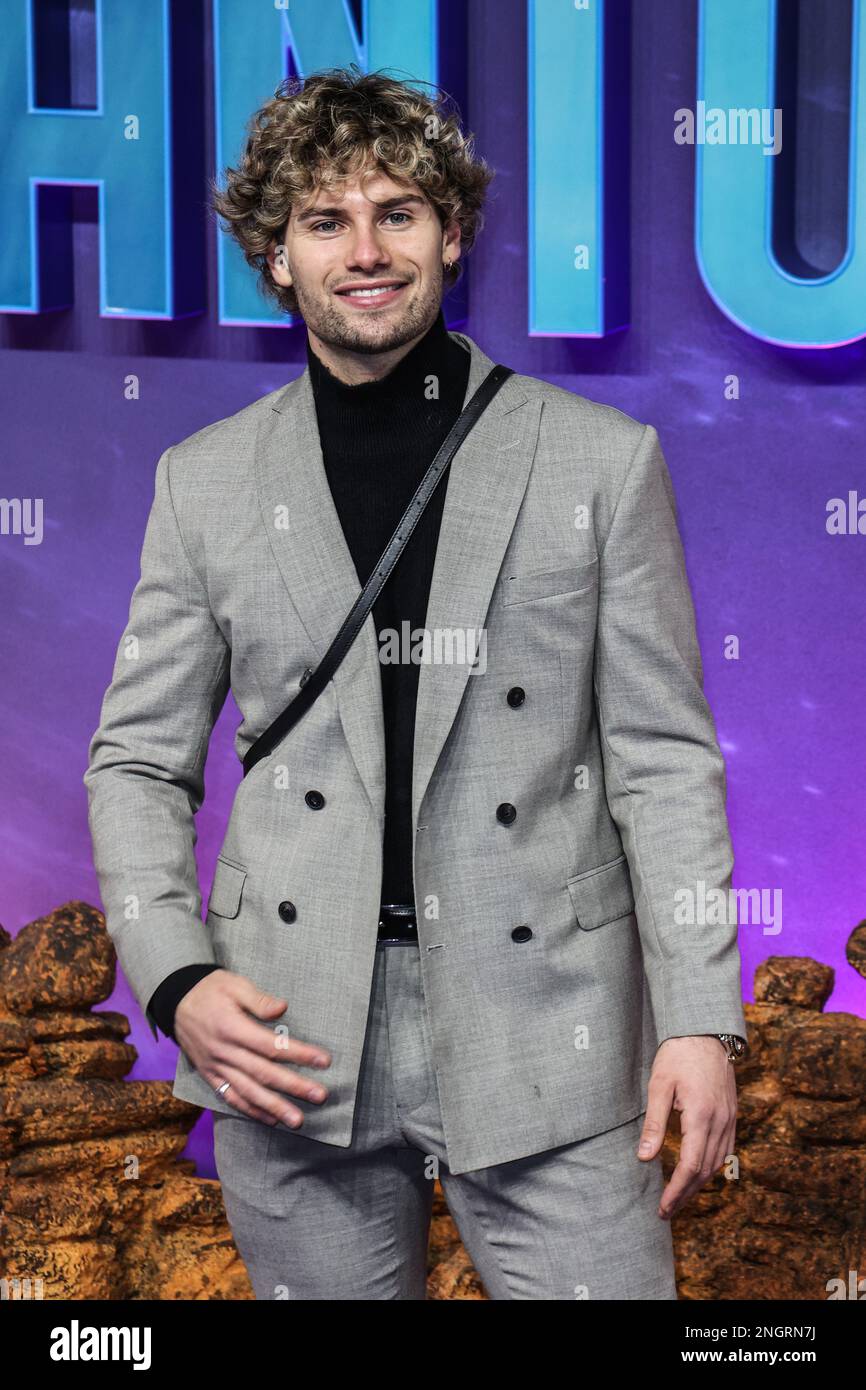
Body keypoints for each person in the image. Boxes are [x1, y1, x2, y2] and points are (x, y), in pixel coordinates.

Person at [84, 65, 748, 1300]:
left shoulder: (600, 462)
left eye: (397, 211)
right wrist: (173, 978)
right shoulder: (207, 481)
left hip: (551, 1012)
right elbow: (135, 760)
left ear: (452, 231)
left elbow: (662, 761)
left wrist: (700, 1017)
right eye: (324, 221)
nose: (365, 250)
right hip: (287, 1024)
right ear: (275, 256)